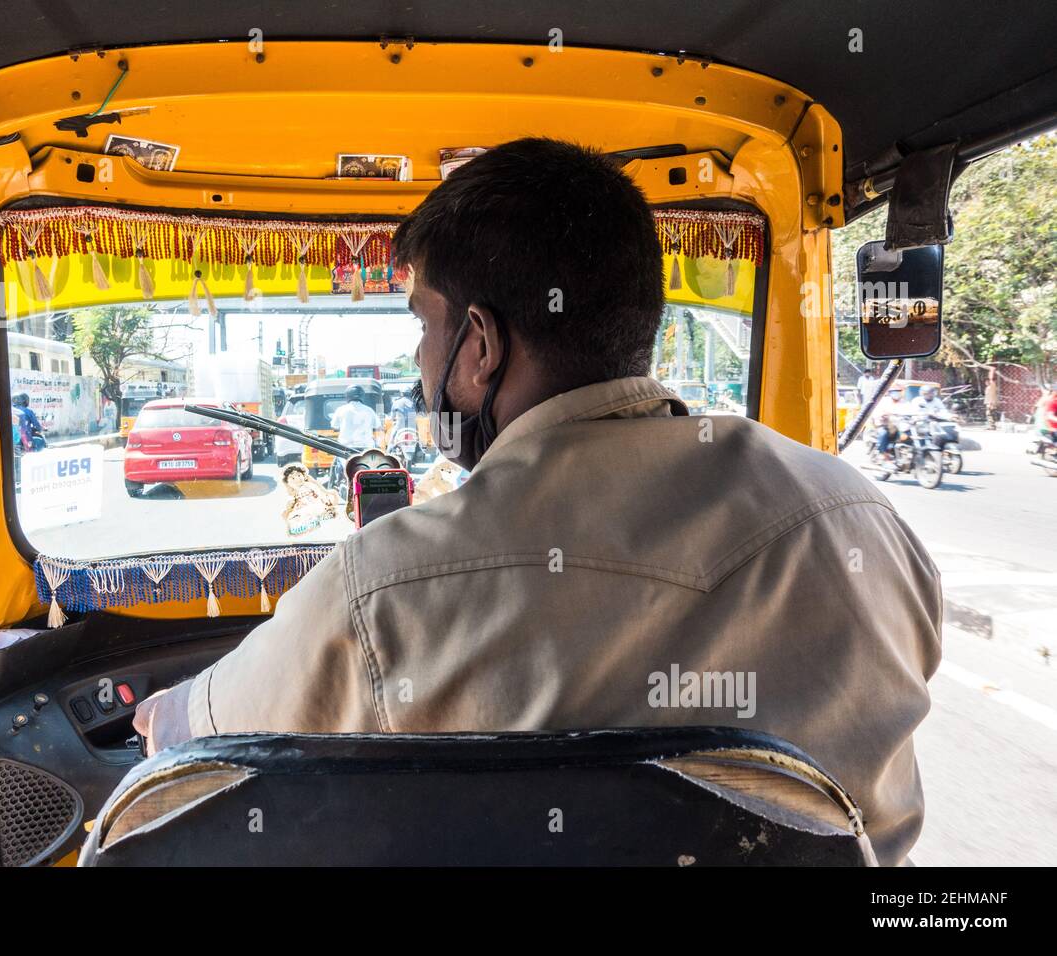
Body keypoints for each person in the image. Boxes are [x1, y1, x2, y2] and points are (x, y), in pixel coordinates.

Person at [135, 138, 941, 866]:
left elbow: (192, 757)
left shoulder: (384, 591)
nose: (417, 362)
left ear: (479, 347)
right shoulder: (861, 524)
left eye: (424, 326)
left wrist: (161, 710)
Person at [329, 384, 381, 451]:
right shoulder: (369, 410)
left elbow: (334, 426)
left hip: (345, 447)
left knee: (336, 461)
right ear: (362, 395)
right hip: (366, 447)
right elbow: (378, 426)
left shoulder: (341, 410)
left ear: (347, 395)